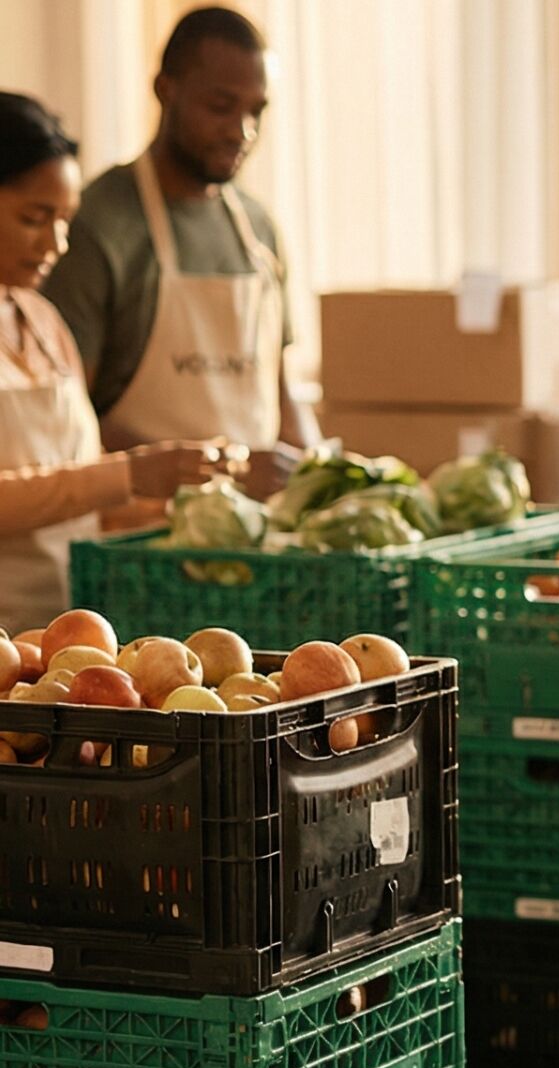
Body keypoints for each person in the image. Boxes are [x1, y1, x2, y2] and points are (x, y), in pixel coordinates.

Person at [40, 6, 315, 505]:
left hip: (258, 530)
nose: (242, 131)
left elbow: (280, 393)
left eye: (256, 112)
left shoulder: (258, 230)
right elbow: (66, 422)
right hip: (141, 528)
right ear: (165, 89)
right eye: (221, 106)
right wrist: (224, 475)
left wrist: (322, 476)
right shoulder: (98, 225)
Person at [0, 92, 226, 631]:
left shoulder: (43, 323)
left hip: (63, 637)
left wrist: (184, 498)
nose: (57, 243)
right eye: (35, 218)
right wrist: (129, 473)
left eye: (65, 221)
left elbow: (78, 501)